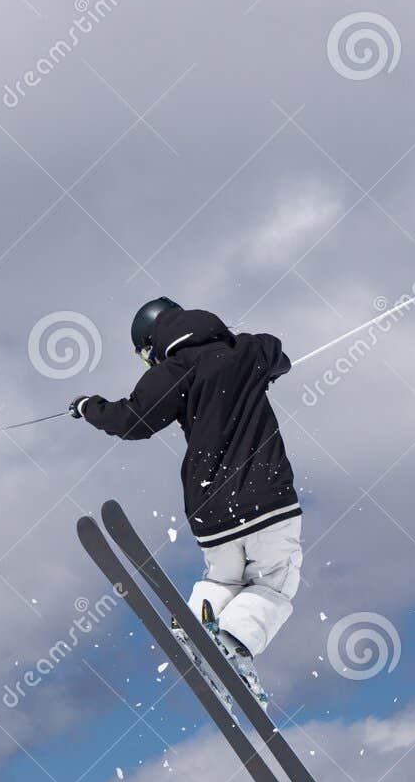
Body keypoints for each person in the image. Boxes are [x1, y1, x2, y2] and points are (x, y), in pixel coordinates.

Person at [70, 298, 301, 700]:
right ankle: (231, 643)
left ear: (154, 345)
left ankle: (196, 624)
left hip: (212, 510)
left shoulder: (175, 372)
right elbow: (278, 353)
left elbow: (132, 420)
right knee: (275, 584)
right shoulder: (246, 350)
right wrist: (261, 372)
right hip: (266, 499)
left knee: (223, 579)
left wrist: (89, 406)